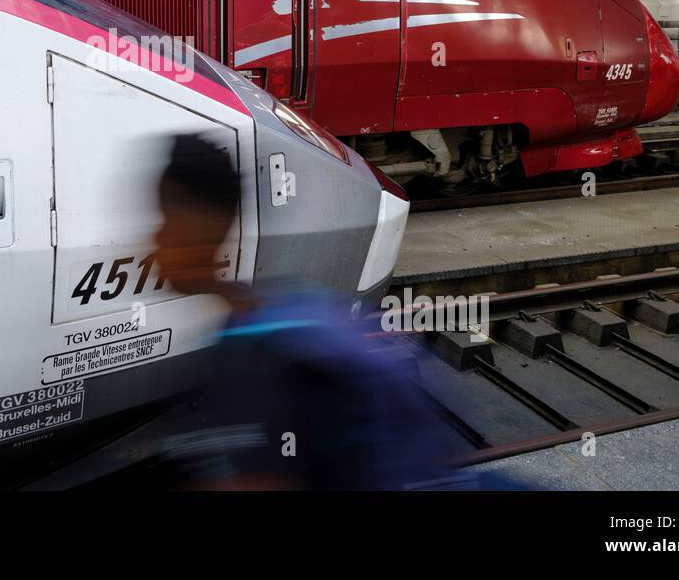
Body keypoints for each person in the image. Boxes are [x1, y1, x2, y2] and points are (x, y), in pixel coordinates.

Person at [149, 132, 490, 490]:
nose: (154, 239)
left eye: (166, 220)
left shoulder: (261, 355)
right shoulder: (282, 313)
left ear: (204, 232)